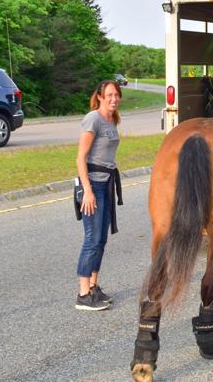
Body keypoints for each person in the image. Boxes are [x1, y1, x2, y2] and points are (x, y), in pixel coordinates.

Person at [75, 80, 124, 311]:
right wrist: (87, 191)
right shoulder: (93, 119)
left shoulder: (112, 119)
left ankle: (94, 287)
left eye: (116, 95)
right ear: (100, 97)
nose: (114, 99)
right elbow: (80, 157)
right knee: (92, 239)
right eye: (109, 95)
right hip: (93, 185)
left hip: (107, 184)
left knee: (101, 240)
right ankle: (83, 293)